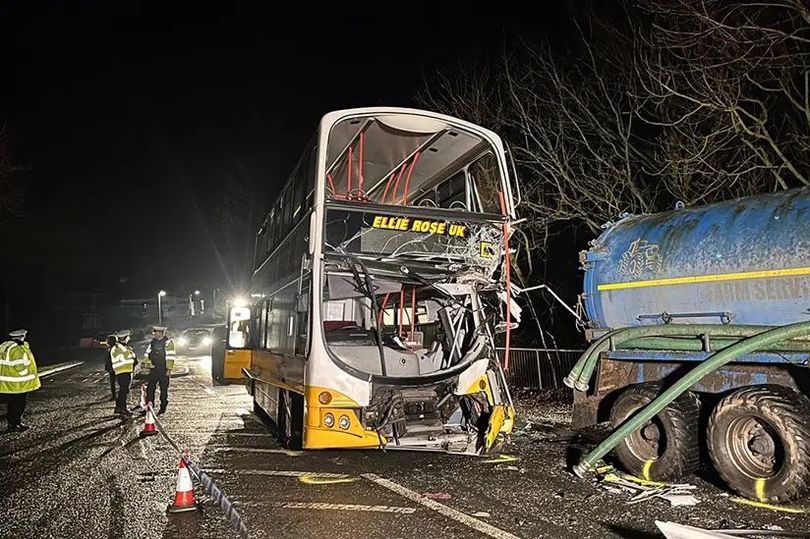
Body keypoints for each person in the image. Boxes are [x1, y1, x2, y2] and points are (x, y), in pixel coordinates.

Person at [0, 329, 41, 432]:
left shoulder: (5, 347)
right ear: (22, 336)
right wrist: (27, 373)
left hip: (9, 383)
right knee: (19, 405)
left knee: (12, 404)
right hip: (19, 383)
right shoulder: (18, 349)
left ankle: (12, 423)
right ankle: (16, 424)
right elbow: (19, 366)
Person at [144, 326, 176, 415]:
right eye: (154, 332)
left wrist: (169, 369)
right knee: (150, 388)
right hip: (154, 369)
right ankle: (150, 406)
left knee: (163, 389)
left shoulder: (168, 343)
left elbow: (170, 357)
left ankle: (163, 406)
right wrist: (148, 363)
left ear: (161, 333)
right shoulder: (152, 342)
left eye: (156, 332)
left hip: (163, 368)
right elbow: (147, 354)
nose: (154, 334)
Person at [110, 330, 137, 417]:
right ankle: (123, 409)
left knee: (122, 390)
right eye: (128, 337)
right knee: (124, 391)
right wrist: (131, 353)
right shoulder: (123, 348)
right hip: (124, 371)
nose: (129, 338)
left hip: (120, 371)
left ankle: (118, 407)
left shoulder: (116, 347)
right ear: (125, 338)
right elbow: (132, 358)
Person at [103, 334, 118, 401]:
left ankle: (116, 396)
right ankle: (114, 396)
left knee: (115, 383)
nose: (107, 341)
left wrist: (112, 368)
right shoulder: (110, 348)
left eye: (108, 340)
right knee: (112, 383)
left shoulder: (114, 349)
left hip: (115, 368)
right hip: (112, 368)